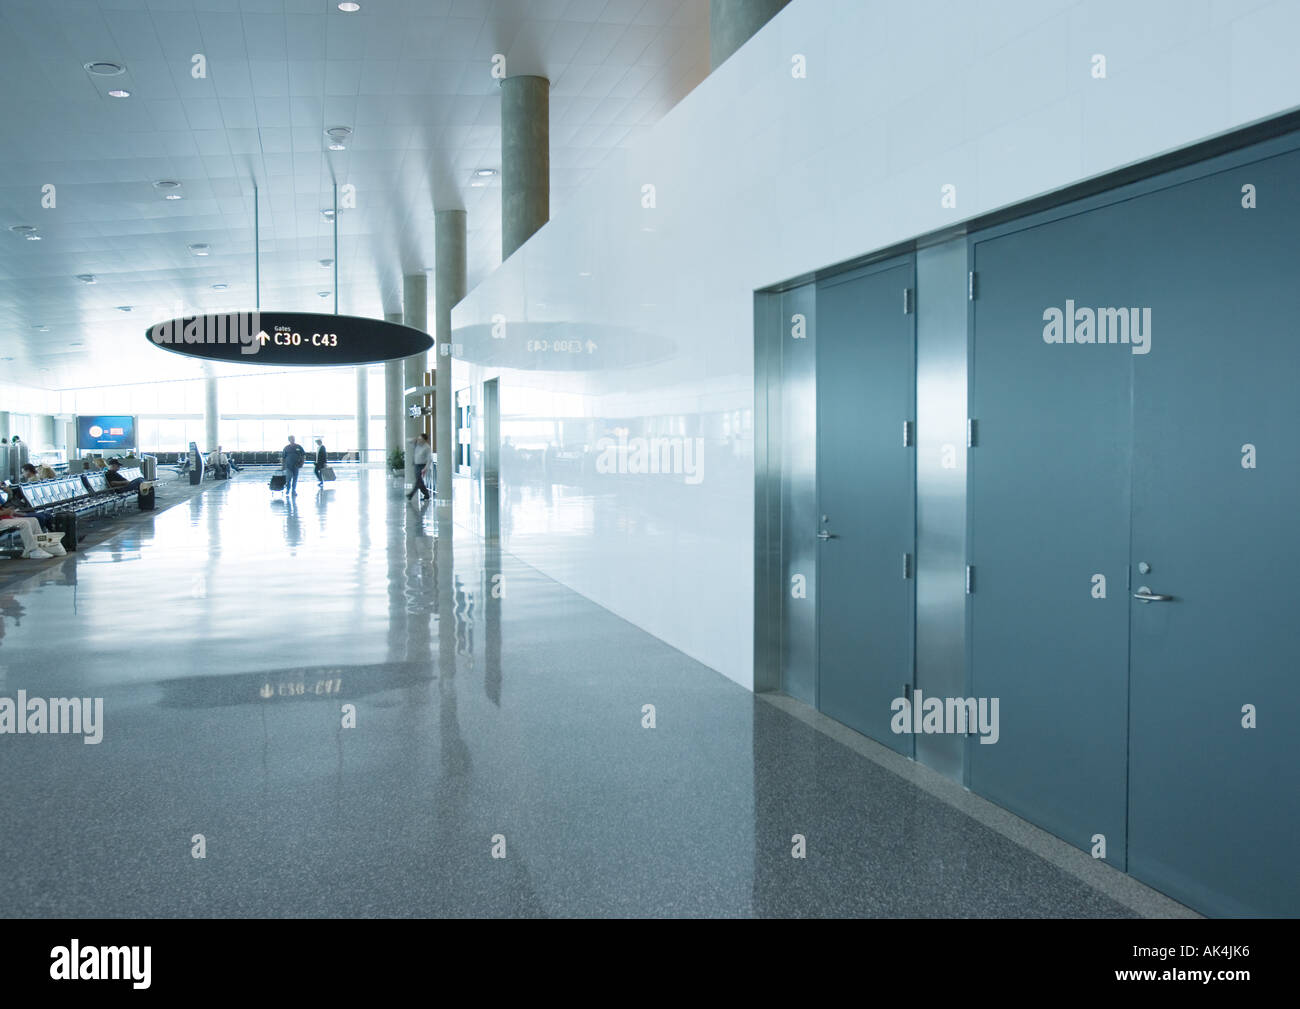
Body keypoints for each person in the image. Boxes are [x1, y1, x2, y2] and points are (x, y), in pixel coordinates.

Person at [0, 492, 52, 560]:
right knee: (24, 523)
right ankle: (32, 551)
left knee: (34, 520)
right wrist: (4, 512)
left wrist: (8, 510)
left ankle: (42, 546)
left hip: (4, 518)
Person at [407, 433, 432, 503]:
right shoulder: (417, 444)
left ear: (424, 440)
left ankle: (411, 494)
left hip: (422, 465)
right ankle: (426, 494)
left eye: (421, 439)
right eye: (419, 438)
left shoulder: (427, 447)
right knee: (419, 481)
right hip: (416, 465)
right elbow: (408, 441)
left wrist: (426, 468)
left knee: (418, 480)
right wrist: (415, 439)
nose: (419, 440)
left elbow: (429, 459)